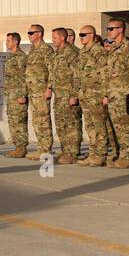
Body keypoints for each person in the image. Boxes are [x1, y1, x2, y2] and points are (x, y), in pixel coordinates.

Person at [102, 20, 129, 169]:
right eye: (108, 28)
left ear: (121, 29)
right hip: (113, 94)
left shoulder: (128, 47)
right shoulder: (113, 49)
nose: (109, 31)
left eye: (112, 28)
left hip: (123, 93)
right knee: (118, 126)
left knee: (126, 126)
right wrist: (106, 93)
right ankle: (124, 154)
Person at [76, 25, 109, 166]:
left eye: (84, 34)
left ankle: (100, 155)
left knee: (99, 126)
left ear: (92, 35)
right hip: (85, 94)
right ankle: (93, 153)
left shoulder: (99, 52)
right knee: (89, 126)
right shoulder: (82, 52)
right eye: (80, 35)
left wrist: (105, 94)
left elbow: (105, 73)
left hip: (96, 94)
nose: (81, 37)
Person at [48, 27, 81, 163]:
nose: (52, 40)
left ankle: (72, 153)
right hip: (59, 95)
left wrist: (74, 95)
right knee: (61, 125)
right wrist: (49, 87)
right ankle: (65, 151)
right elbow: (52, 73)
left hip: (69, 95)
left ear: (62, 38)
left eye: (54, 37)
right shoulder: (56, 54)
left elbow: (77, 75)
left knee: (71, 124)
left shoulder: (72, 53)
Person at [24, 24, 53, 160]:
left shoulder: (46, 50)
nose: (29, 35)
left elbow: (52, 70)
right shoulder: (32, 50)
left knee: (43, 120)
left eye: (31, 33)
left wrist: (49, 88)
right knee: (36, 121)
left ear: (39, 34)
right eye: (28, 33)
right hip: (32, 92)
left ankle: (46, 149)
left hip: (41, 92)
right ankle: (41, 148)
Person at [3, 32, 29, 158]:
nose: (6, 43)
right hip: (11, 95)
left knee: (19, 122)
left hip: (18, 95)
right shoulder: (10, 57)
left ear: (16, 42)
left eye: (8, 40)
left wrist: (22, 94)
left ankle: (21, 147)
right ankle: (17, 147)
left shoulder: (21, 57)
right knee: (12, 121)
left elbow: (24, 76)